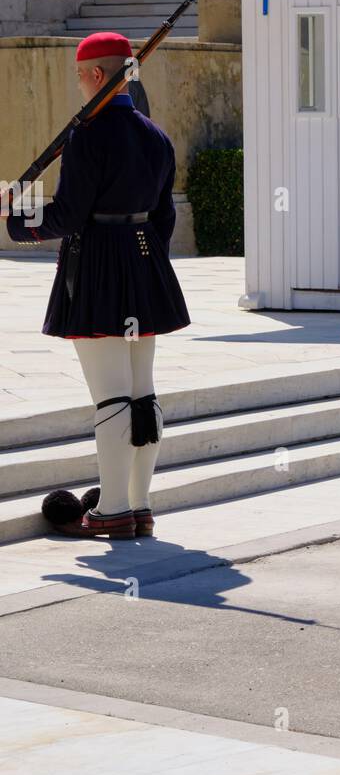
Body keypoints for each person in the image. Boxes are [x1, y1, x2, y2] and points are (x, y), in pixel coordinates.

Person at [4, 31, 190, 539]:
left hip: (99, 266)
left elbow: (67, 216)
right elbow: (164, 218)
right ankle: (139, 503)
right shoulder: (155, 134)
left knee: (111, 396)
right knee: (142, 392)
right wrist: (144, 262)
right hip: (144, 263)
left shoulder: (88, 134)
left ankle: (110, 509)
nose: (78, 86)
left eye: (78, 76)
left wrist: (14, 217)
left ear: (94, 74)